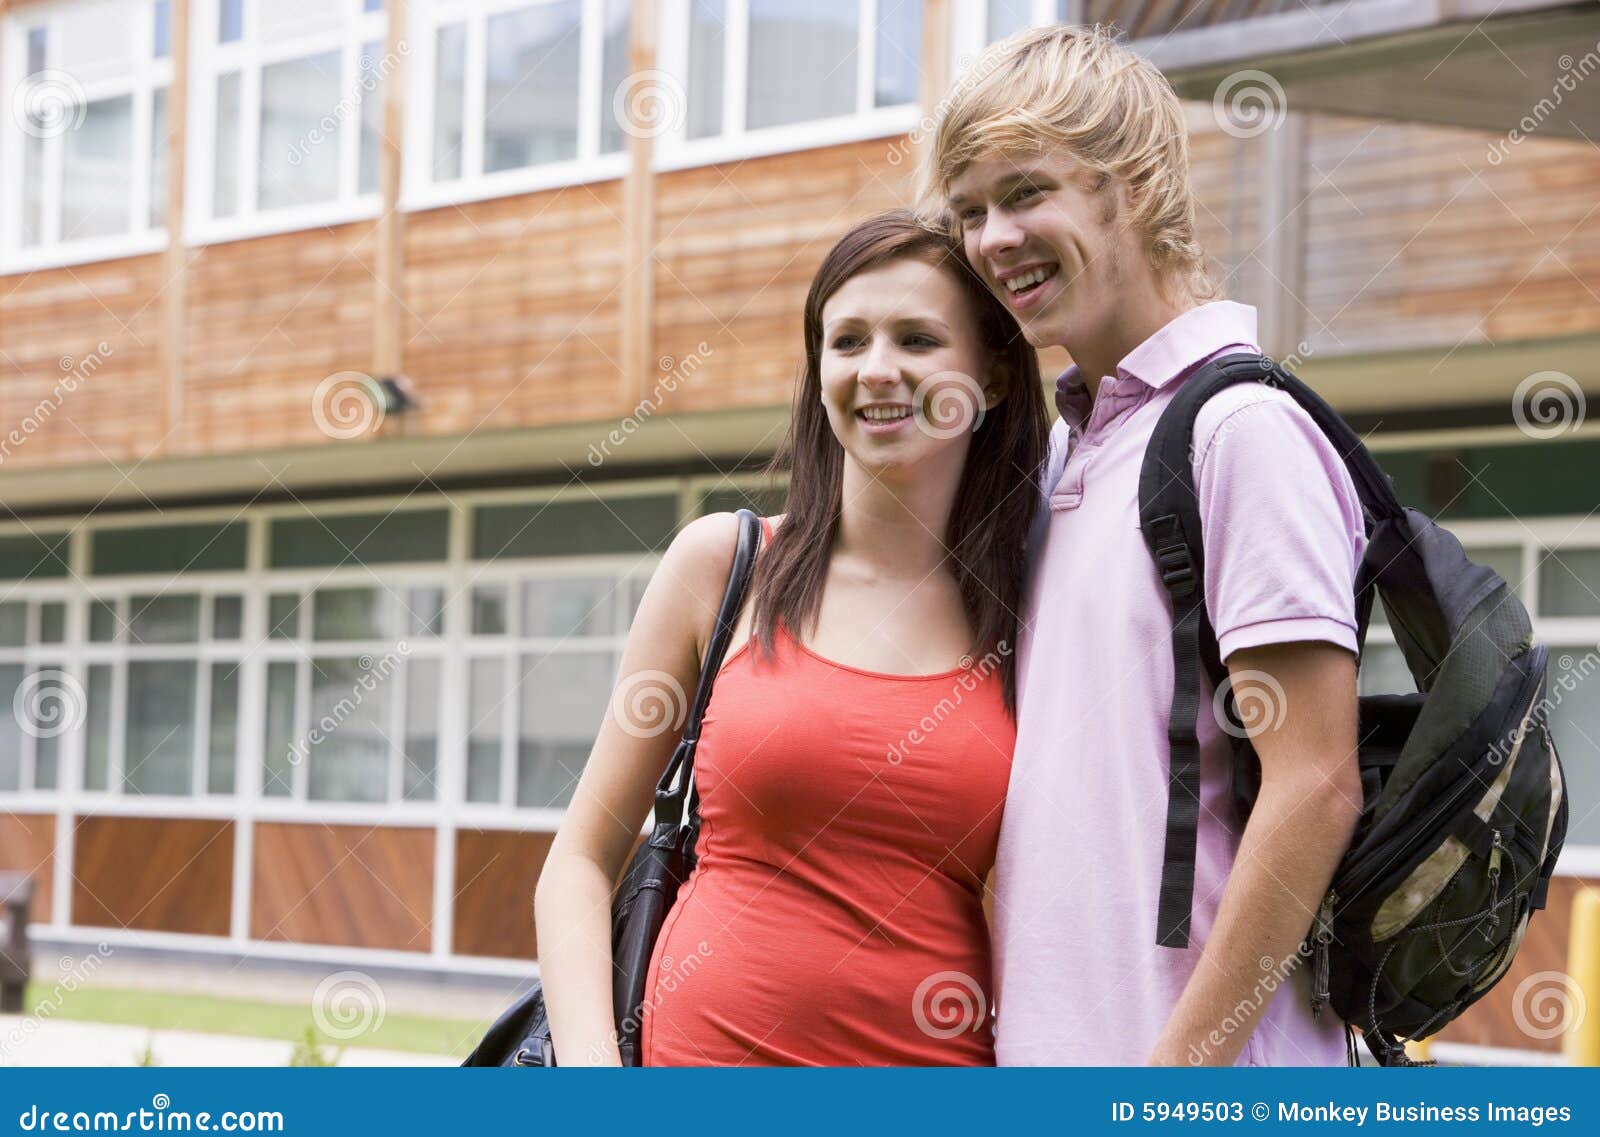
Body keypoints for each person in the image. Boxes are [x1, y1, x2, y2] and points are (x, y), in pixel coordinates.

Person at [925, 24, 1368, 1066]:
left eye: (1025, 191)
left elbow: (1314, 781)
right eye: (968, 212)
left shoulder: (1238, 431)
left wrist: (1175, 1079)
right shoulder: (1072, 445)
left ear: (1130, 185)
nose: (992, 239)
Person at [534, 210, 1049, 1066]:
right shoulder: (724, 566)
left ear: (992, 375)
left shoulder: (1034, 610)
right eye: (847, 340)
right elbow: (579, 862)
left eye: (917, 338)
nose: (877, 369)